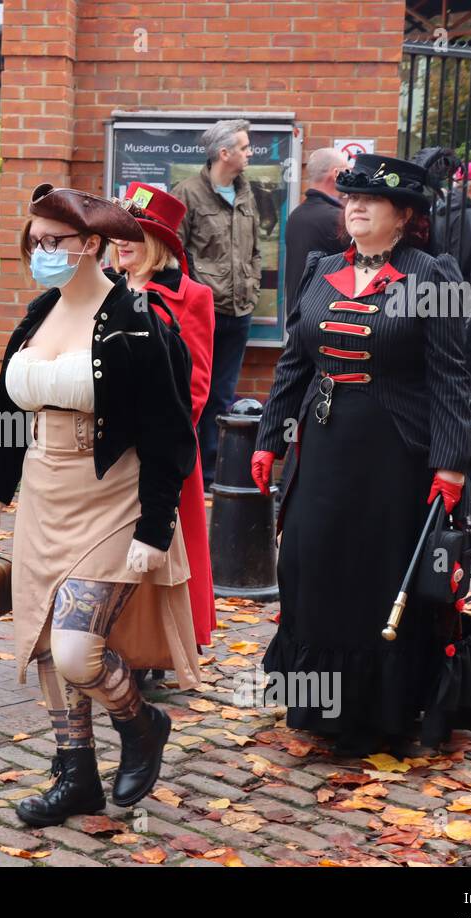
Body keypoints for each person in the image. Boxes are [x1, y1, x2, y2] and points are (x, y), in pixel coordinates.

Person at [250, 153, 471, 756]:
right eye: (350, 197)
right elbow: (294, 363)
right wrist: (270, 434)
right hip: (325, 447)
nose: (354, 206)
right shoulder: (320, 268)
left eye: (371, 201)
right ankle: (320, 704)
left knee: (374, 576)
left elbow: (453, 380)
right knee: (313, 564)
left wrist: (452, 463)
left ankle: (381, 711)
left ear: (404, 216)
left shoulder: (435, 278)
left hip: (394, 456)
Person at [0, 183, 198, 824]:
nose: (42, 251)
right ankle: (75, 774)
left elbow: (169, 433)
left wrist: (155, 528)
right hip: (44, 497)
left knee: (79, 649)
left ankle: (140, 724)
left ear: (93, 245)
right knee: (47, 639)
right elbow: (10, 415)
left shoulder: (137, 320)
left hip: (114, 497)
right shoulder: (36, 314)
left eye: (56, 242)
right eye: (35, 242)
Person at [112, 181, 217, 646]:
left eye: (132, 233)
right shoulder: (106, 291)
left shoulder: (192, 296)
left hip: (159, 448)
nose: (120, 241)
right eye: (117, 232)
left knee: (161, 547)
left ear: (159, 242)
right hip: (108, 449)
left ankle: (157, 644)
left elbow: (196, 386)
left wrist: (154, 438)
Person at [173, 119, 262, 485]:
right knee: (195, 391)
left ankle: (212, 469)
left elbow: (255, 247)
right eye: (244, 147)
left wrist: (253, 285)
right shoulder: (187, 193)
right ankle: (189, 467)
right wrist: (195, 294)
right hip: (201, 313)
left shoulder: (246, 192)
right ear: (224, 154)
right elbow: (174, 252)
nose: (249, 153)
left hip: (239, 311)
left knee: (223, 394)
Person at [283, 148, 349, 308]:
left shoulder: (296, 215)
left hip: (296, 313)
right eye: (347, 171)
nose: (350, 177)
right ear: (336, 174)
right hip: (324, 316)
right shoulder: (337, 218)